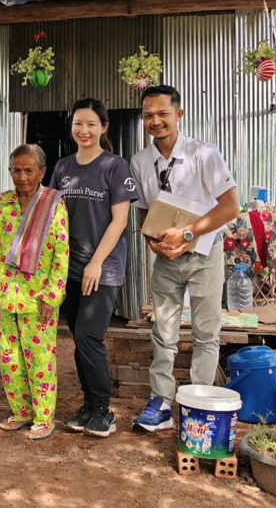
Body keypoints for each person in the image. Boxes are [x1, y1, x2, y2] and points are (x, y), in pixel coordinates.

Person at [129, 85, 239, 432]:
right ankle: (161, 403)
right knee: (163, 333)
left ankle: (198, 404)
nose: (155, 121)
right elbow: (144, 210)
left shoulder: (203, 154)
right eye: (148, 115)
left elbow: (230, 207)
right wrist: (152, 243)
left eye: (163, 114)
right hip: (166, 258)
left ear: (179, 114)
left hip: (204, 255)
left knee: (206, 334)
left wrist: (187, 234)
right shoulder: (140, 162)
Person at [50, 98, 139, 439]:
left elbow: (119, 221)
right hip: (69, 268)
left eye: (91, 124)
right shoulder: (63, 167)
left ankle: (104, 410)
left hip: (103, 268)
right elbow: (52, 216)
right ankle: (88, 405)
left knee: (89, 336)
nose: (83, 130)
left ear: (103, 127)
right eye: (78, 123)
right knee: (79, 338)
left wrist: (96, 262)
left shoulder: (115, 166)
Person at [0, 144, 69, 441]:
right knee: (9, 358)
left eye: (29, 171)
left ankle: (44, 418)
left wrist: (52, 296)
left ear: (42, 172)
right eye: (16, 170)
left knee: (39, 359)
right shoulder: (4, 202)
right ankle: (21, 412)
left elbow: (61, 253)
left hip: (38, 298)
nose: (22, 177)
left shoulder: (53, 204)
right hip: (6, 295)